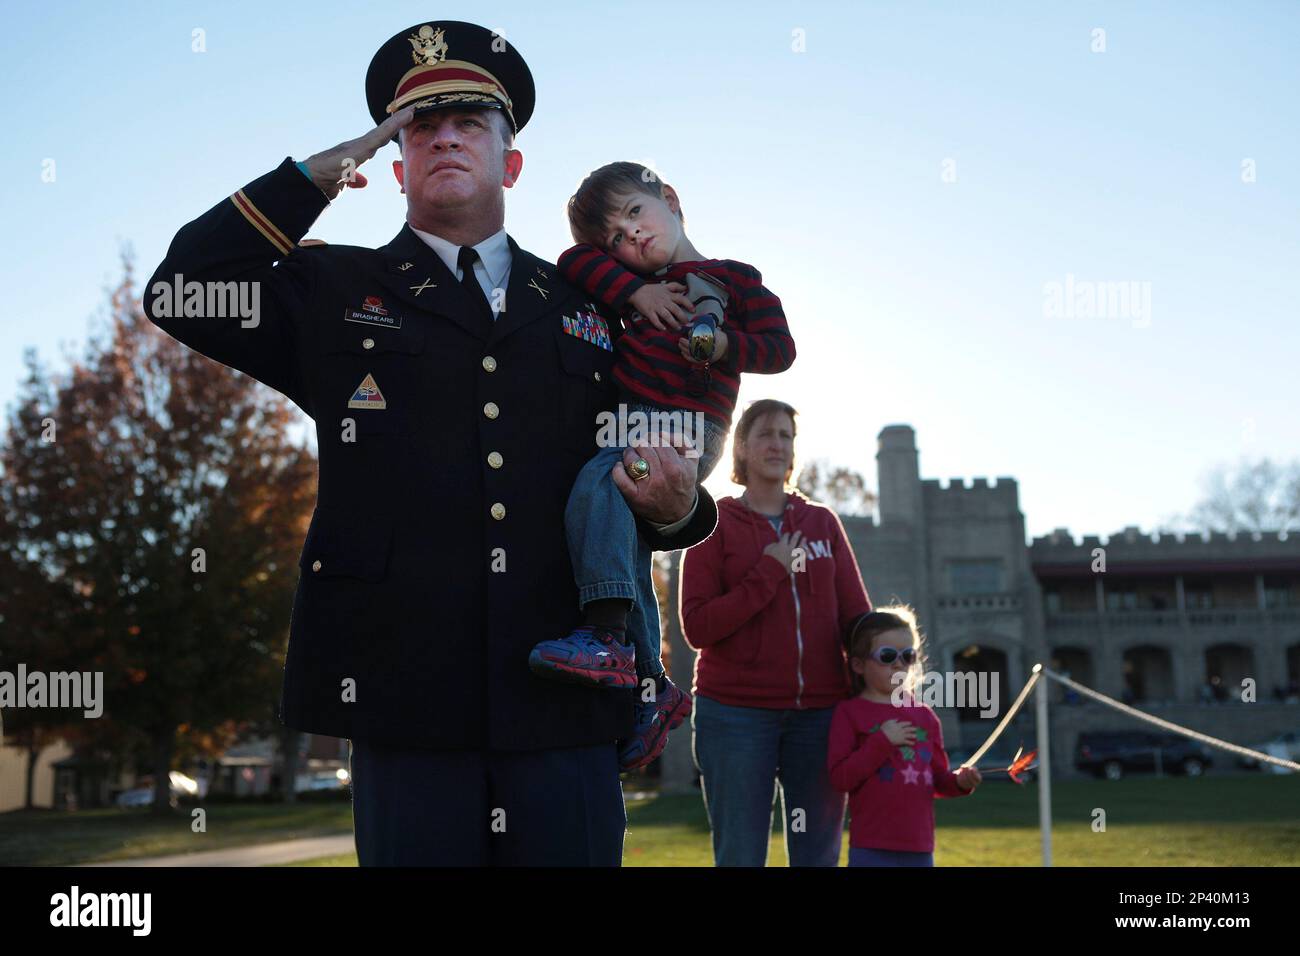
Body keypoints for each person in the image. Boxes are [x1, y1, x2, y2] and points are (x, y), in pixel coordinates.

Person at [143, 20, 718, 866]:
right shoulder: (332, 288)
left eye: (470, 122)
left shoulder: (589, 303)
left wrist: (677, 509)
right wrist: (324, 169)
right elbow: (184, 290)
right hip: (401, 688)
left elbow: (653, 447)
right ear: (395, 163)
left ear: (510, 162)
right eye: (420, 125)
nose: (445, 135)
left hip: (560, 691)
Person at [528, 162, 796, 772]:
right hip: (632, 425)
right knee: (625, 538)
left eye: (634, 214)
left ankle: (605, 635)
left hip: (685, 429)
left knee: (596, 484)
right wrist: (634, 292)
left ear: (669, 199)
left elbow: (782, 349)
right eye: (615, 240)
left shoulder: (736, 279)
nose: (630, 238)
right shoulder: (628, 287)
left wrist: (726, 345)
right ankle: (652, 690)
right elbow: (573, 263)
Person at [679, 399, 871, 866]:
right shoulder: (713, 522)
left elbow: (856, 619)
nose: (777, 444)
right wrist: (768, 571)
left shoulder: (822, 523)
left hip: (822, 716)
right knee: (741, 855)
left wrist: (884, 676)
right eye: (766, 433)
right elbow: (697, 626)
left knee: (818, 856)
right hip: (736, 717)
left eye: (786, 435)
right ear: (741, 448)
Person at [827, 606, 982, 867]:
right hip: (871, 846)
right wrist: (882, 742)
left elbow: (938, 780)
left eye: (908, 656)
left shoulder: (926, 717)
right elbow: (840, 778)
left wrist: (961, 782)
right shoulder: (849, 713)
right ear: (858, 664)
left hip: (919, 847)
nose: (899, 663)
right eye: (887, 655)